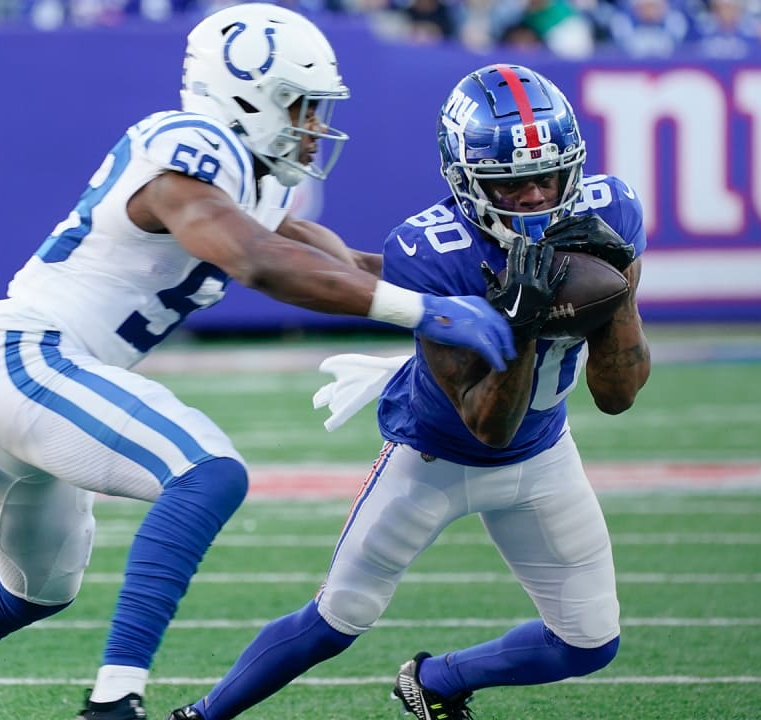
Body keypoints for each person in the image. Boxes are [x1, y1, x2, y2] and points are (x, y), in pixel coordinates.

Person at [0, 5, 513, 720]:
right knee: (207, 472)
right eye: (301, 105)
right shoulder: (190, 147)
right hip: (24, 353)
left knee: (34, 588)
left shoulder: (255, 183)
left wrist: (495, 287)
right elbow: (259, 262)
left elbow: (347, 263)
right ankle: (113, 701)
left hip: (37, 377)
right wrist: (425, 315)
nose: (314, 125)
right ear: (245, 95)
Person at [166, 62, 651, 720]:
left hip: (542, 455)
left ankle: (438, 681)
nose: (537, 196)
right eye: (512, 184)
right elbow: (486, 425)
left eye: (549, 177)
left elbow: (618, 395)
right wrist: (524, 324)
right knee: (336, 620)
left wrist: (618, 287)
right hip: (434, 458)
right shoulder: (433, 249)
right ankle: (200, 715)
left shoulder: (610, 210)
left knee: (589, 643)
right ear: (466, 180)